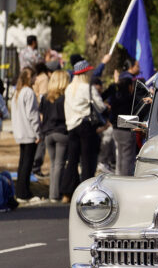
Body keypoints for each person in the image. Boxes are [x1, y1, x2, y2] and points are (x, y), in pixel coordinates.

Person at [61, 60, 108, 196]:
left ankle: (67, 192)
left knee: (72, 160)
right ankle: (86, 192)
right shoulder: (87, 87)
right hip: (86, 126)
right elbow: (100, 106)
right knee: (87, 160)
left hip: (72, 126)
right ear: (85, 73)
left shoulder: (69, 88)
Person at [11, 68, 42, 204]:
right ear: (30, 78)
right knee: (27, 164)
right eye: (34, 77)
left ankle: (20, 191)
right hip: (29, 133)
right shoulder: (29, 92)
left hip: (20, 132)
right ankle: (24, 193)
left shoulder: (17, 92)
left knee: (22, 163)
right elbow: (33, 115)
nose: (36, 79)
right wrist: (38, 132)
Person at [39, 70, 69, 202]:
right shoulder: (64, 98)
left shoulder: (45, 98)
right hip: (61, 132)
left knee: (52, 164)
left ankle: (52, 193)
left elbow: (41, 116)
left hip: (48, 133)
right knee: (60, 164)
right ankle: (56, 193)